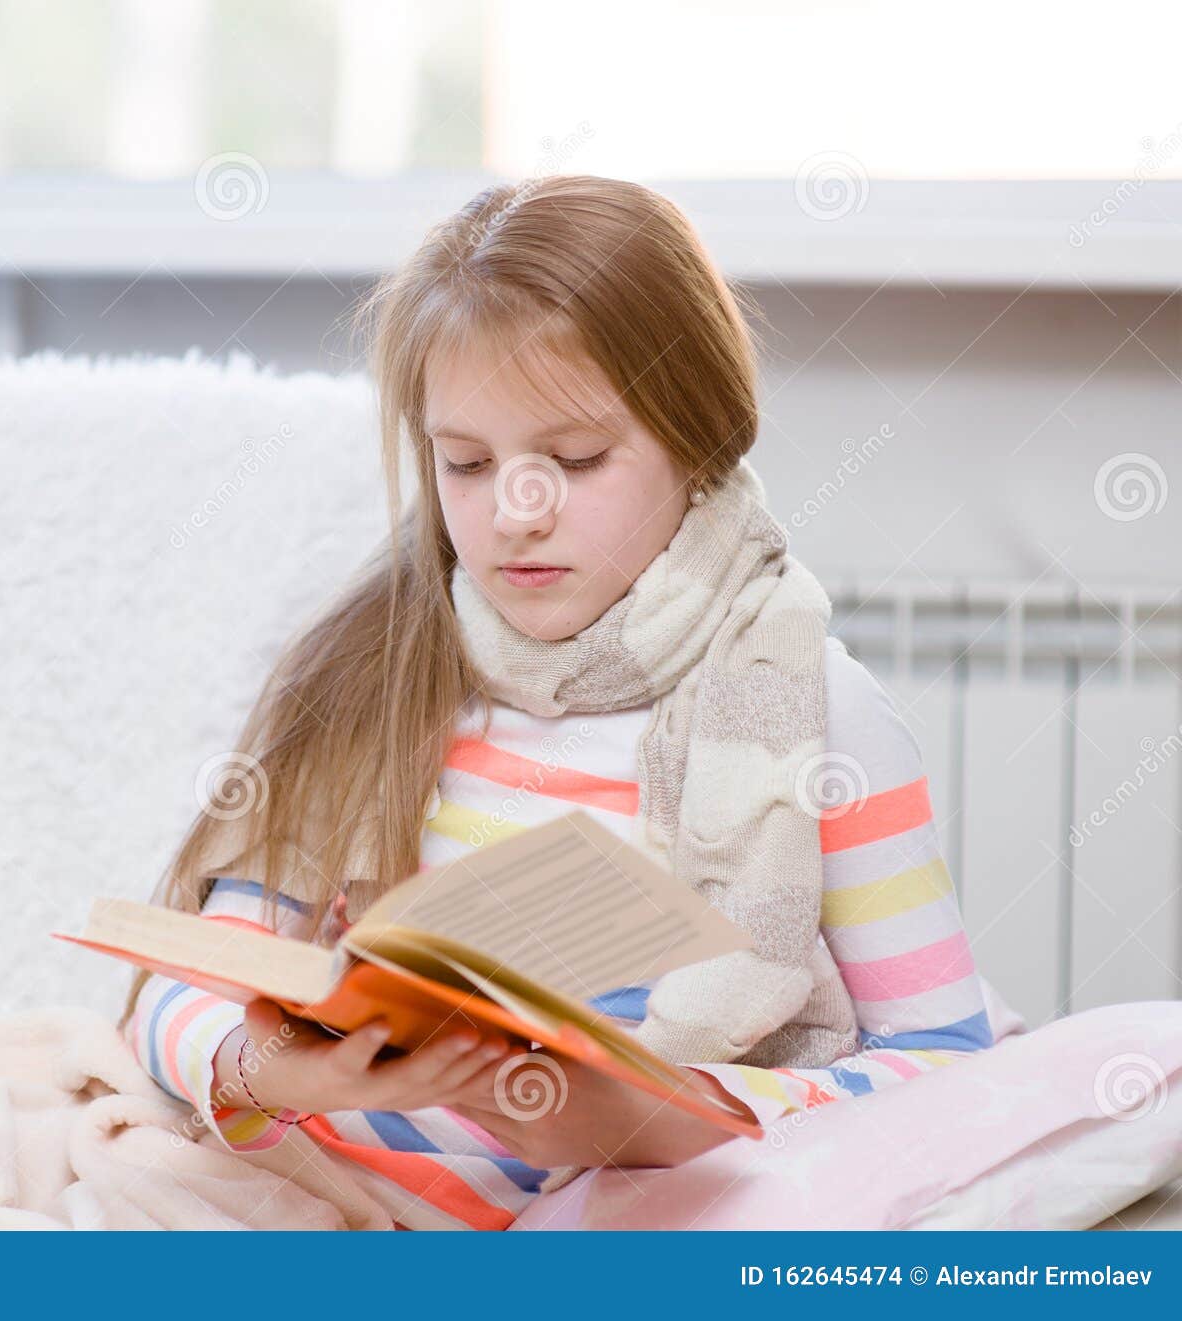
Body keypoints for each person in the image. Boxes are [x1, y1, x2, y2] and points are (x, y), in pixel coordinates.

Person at [120, 175, 994, 1231]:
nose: (515, 513)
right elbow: (187, 982)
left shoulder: (812, 712)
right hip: (290, 1193)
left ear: (698, 440)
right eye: (466, 463)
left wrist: (678, 1116)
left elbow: (947, 1069)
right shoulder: (371, 671)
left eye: (575, 460)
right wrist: (280, 1069)